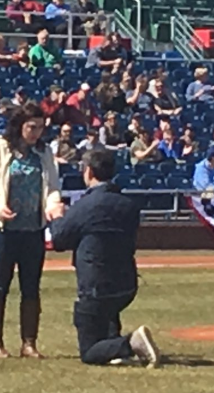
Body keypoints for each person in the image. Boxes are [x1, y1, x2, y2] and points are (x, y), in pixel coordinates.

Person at [46, 148, 160, 367]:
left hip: (95, 286)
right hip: (126, 284)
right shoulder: (128, 205)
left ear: (88, 171)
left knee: (89, 351)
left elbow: (59, 240)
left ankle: (131, 343)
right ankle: (116, 347)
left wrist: (57, 217)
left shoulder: (85, 205)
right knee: (107, 314)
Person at [0, 103, 62, 359]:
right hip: (1, 229)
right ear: (19, 126)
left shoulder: (44, 153)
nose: (36, 133)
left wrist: (53, 204)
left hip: (33, 229)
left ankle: (29, 343)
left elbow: (52, 187)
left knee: (31, 287)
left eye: (40, 128)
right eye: (31, 127)